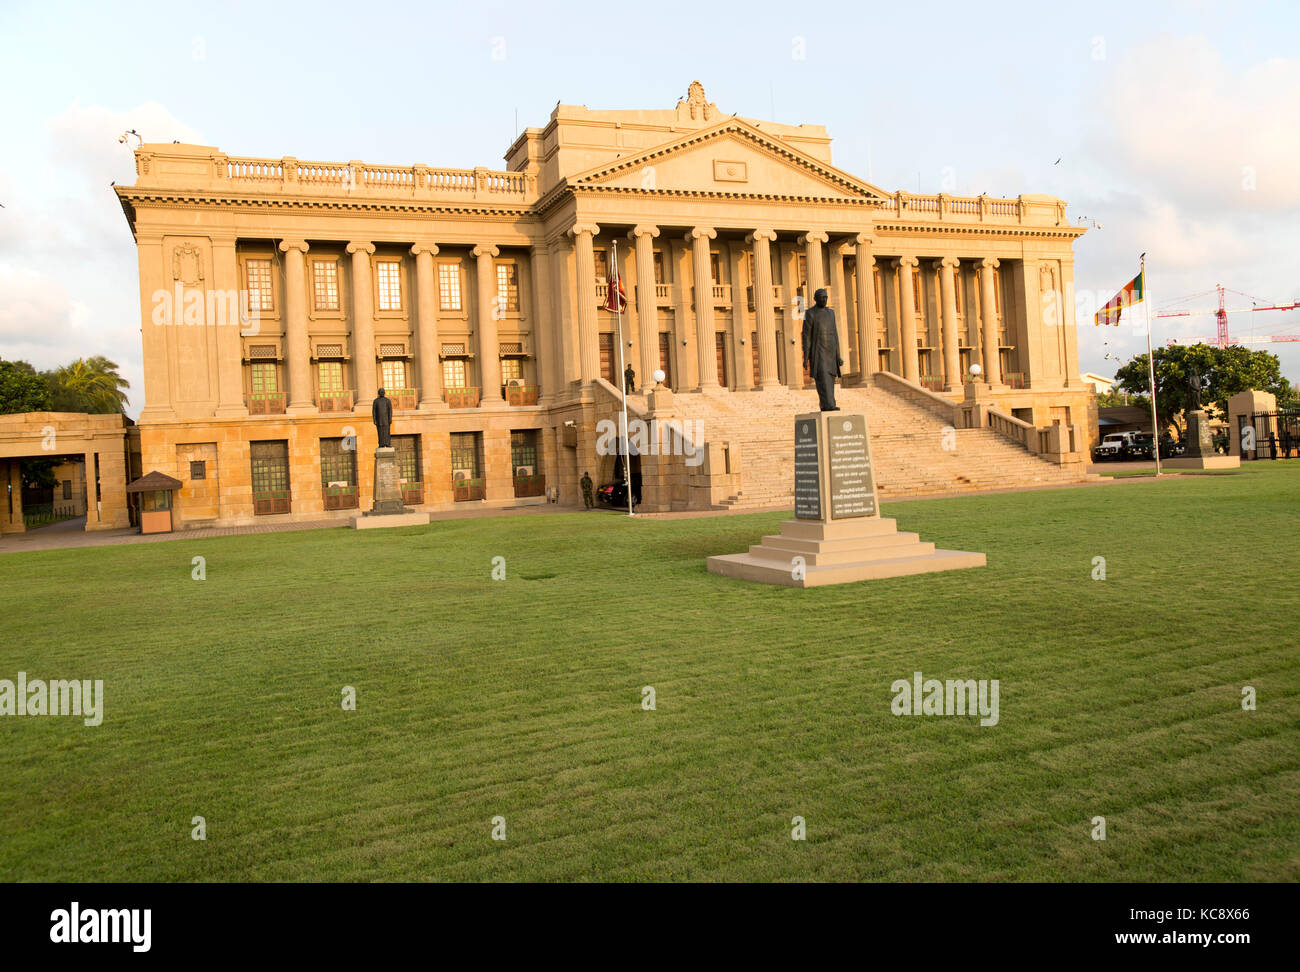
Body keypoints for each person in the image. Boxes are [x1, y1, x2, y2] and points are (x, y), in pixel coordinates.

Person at [802, 288, 842, 411]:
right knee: (823, 378)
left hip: (830, 351)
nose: (824, 299)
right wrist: (806, 356)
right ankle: (828, 404)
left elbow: (835, 335)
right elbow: (806, 336)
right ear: (815, 299)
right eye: (822, 297)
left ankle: (829, 403)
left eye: (826, 297)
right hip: (819, 352)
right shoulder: (810, 313)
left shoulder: (831, 313)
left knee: (830, 379)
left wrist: (838, 355)